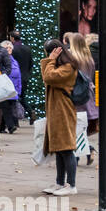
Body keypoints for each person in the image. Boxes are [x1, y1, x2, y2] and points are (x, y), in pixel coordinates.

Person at [40, 38, 79, 196]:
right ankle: (59, 182)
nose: (49, 56)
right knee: (58, 148)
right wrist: (51, 61)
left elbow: (48, 77)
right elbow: (47, 77)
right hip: (56, 110)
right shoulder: (61, 66)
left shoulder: (68, 67)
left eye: (50, 53)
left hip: (63, 111)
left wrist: (50, 61)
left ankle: (71, 185)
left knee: (66, 148)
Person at [67, 32, 98, 165]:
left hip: (76, 94)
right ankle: (85, 151)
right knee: (82, 125)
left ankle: (82, 152)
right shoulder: (88, 58)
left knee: (74, 125)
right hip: (88, 93)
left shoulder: (72, 58)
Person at [9, 30, 37, 122]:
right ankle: (29, 111)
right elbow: (31, 64)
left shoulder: (12, 49)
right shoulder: (27, 49)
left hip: (15, 77)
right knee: (21, 96)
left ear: (12, 38)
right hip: (25, 76)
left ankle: (15, 119)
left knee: (14, 97)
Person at [0, 40, 22, 135]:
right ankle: (11, 126)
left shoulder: (14, 61)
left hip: (13, 89)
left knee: (8, 107)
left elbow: (18, 75)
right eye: (6, 48)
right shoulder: (0, 59)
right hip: (4, 88)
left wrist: (19, 89)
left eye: (10, 48)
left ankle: (2, 127)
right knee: (6, 107)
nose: (9, 49)